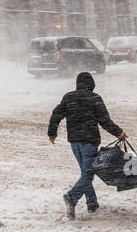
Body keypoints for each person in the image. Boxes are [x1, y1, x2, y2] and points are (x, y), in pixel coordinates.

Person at [48, 71, 127, 218]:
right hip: (88, 142)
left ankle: (92, 203)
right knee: (88, 174)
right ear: (91, 84)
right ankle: (72, 197)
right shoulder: (94, 98)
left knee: (86, 173)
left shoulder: (68, 97)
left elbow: (56, 114)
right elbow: (104, 120)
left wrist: (52, 133)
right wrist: (118, 133)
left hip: (74, 143)